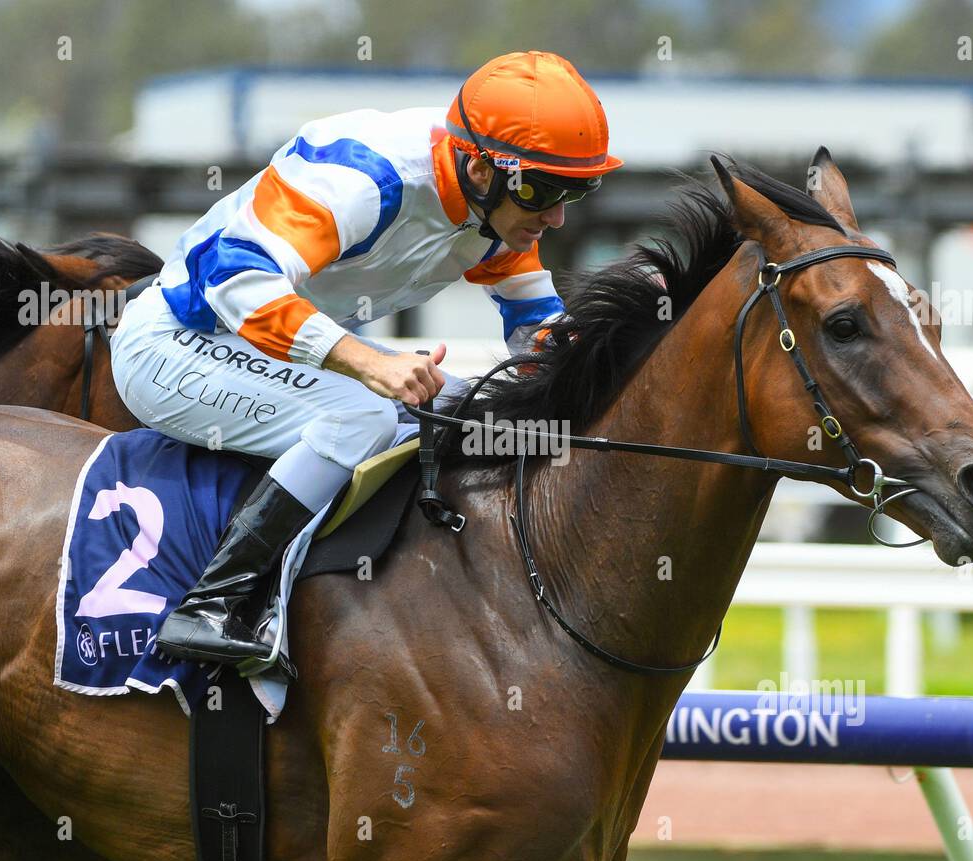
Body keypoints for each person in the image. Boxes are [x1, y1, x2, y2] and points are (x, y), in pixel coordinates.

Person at [109, 50, 623, 673]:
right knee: (363, 417)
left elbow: (536, 327)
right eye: (543, 191)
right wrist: (368, 364)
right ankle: (210, 606)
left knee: (482, 415)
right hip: (175, 342)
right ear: (481, 170)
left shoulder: (493, 209)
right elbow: (236, 277)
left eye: (577, 190)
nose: (557, 215)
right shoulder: (364, 177)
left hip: (275, 354)